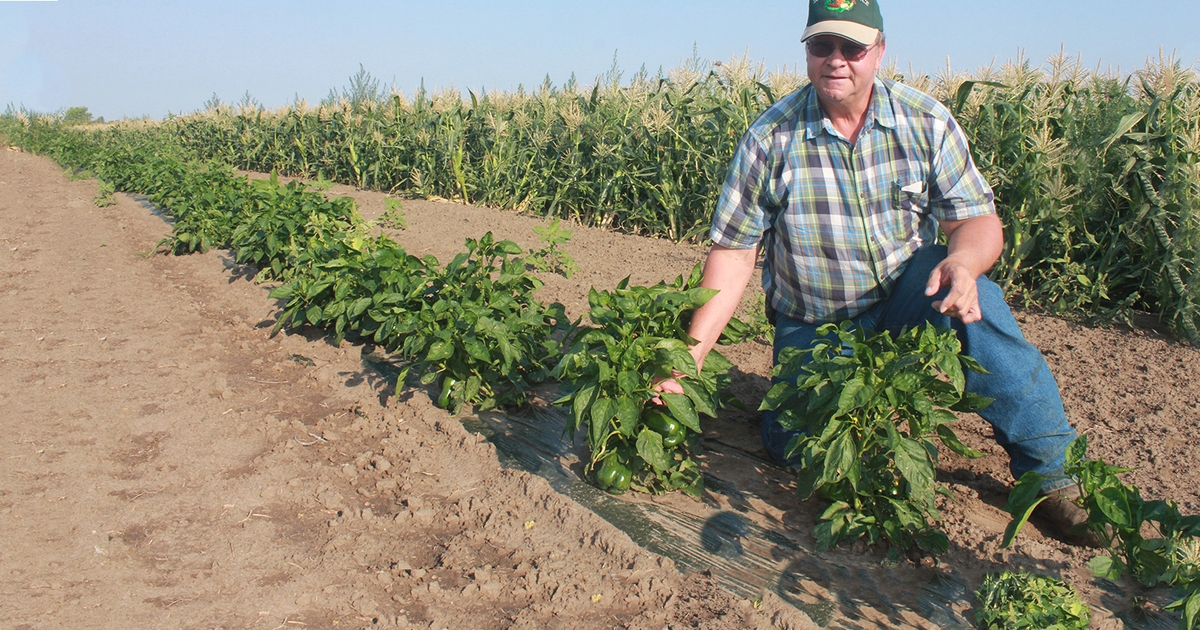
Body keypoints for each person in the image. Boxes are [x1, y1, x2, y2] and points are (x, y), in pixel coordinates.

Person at [656, 0, 1099, 547]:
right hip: (817, 326)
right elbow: (734, 255)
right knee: (799, 446)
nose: (836, 60)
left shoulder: (925, 121)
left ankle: (1053, 474)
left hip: (907, 299)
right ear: (808, 51)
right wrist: (688, 359)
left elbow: (978, 221)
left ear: (879, 51)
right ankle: (876, 414)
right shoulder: (770, 140)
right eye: (822, 46)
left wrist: (961, 262)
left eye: (853, 47)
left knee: (974, 296)